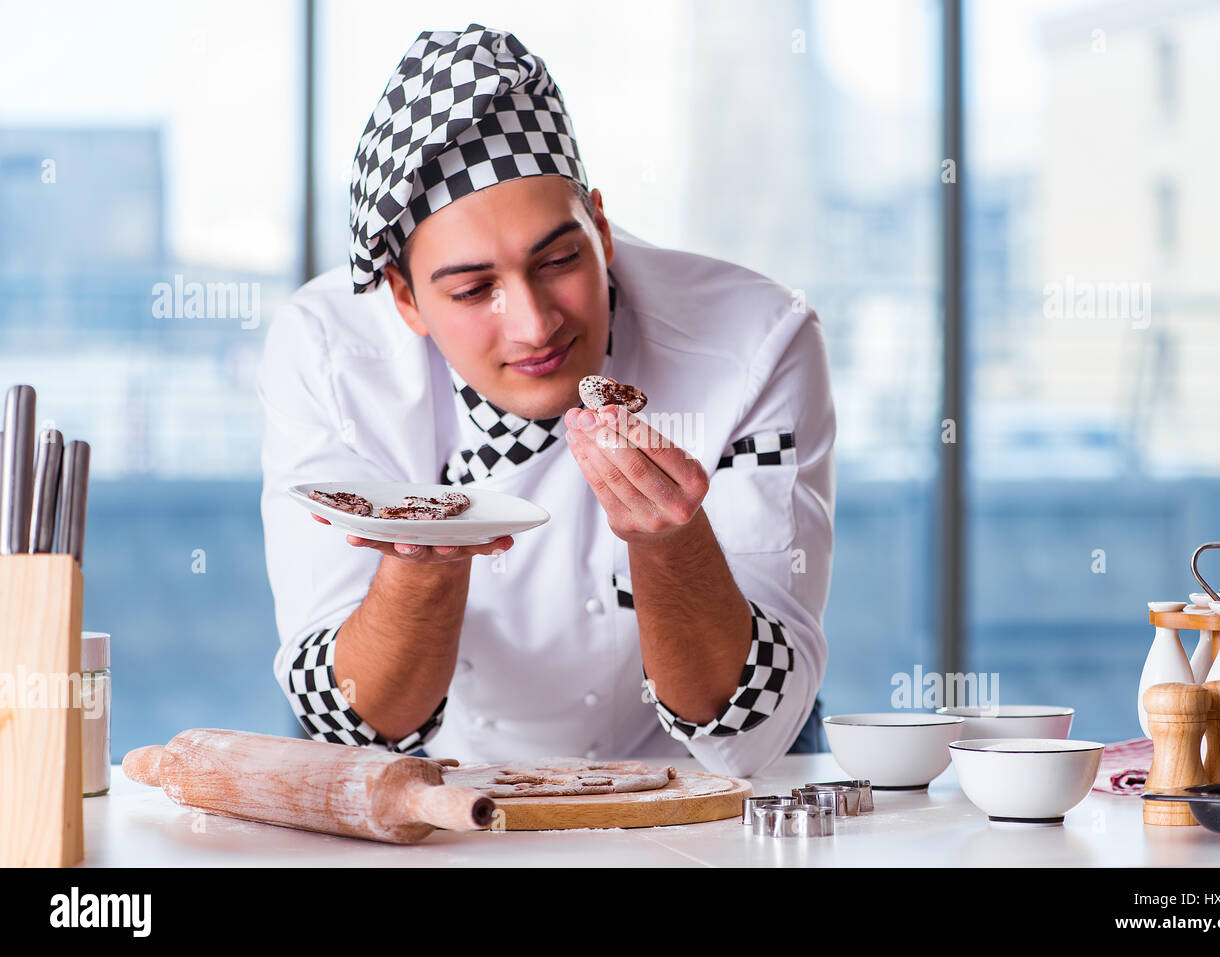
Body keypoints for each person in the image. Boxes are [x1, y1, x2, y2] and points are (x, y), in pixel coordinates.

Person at [257, 23, 835, 777]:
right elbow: (351, 724)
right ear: (403, 297)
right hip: (437, 799)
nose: (534, 324)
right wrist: (421, 569)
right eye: (472, 290)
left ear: (600, 225)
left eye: (560, 260)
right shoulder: (330, 354)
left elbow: (758, 728)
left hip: (703, 793)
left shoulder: (753, 341)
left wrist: (669, 544)